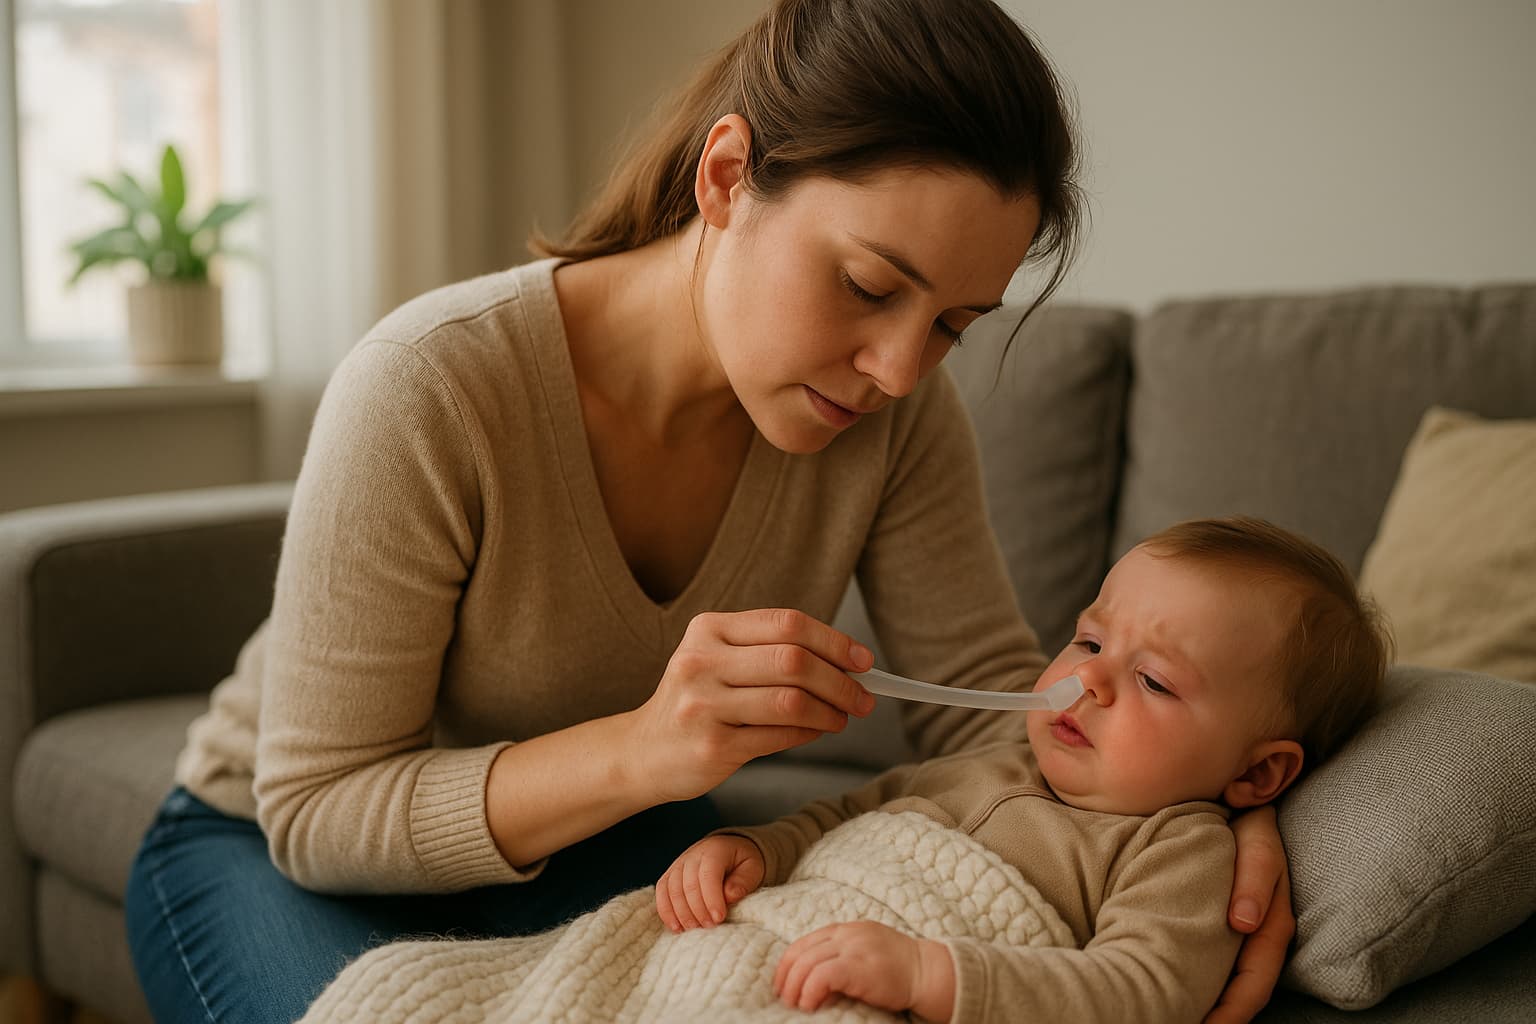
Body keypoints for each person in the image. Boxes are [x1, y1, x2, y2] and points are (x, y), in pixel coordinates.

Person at [123, 2, 1290, 1022]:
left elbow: (987, 715)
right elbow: (321, 810)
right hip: (275, 857)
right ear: (726, 177)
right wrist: (643, 749)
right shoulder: (433, 386)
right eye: (869, 286)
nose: (895, 369)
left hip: (616, 842)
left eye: (949, 326)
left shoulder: (897, 423)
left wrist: (1181, 817)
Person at [657, 517, 1391, 1022]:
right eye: (1088, 640)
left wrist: (931, 975)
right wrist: (754, 851)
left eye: (1156, 682)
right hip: (759, 943)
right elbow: (837, 819)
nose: (1091, 682)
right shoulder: (981, 764)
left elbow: (1143, 994)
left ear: (1259, 776)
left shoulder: (1175, 850)